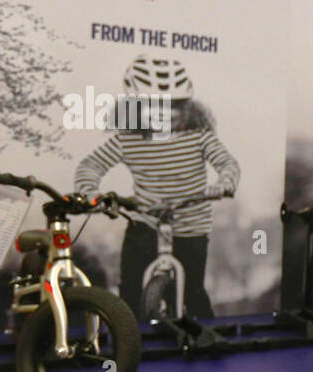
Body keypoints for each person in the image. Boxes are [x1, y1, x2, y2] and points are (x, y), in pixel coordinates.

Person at [75, 55, 240, 319]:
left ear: (187, 105)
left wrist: (224, 183)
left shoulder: (198, 136)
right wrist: (92, 193)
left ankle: (210, 340)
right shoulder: (128, 140)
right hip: (146, 222)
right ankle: (129, 344)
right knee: (130, 295)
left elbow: (227, 162)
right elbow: (90, 166)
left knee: (193, 292)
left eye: (175, 105)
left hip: (191, 225)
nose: (167, 113)